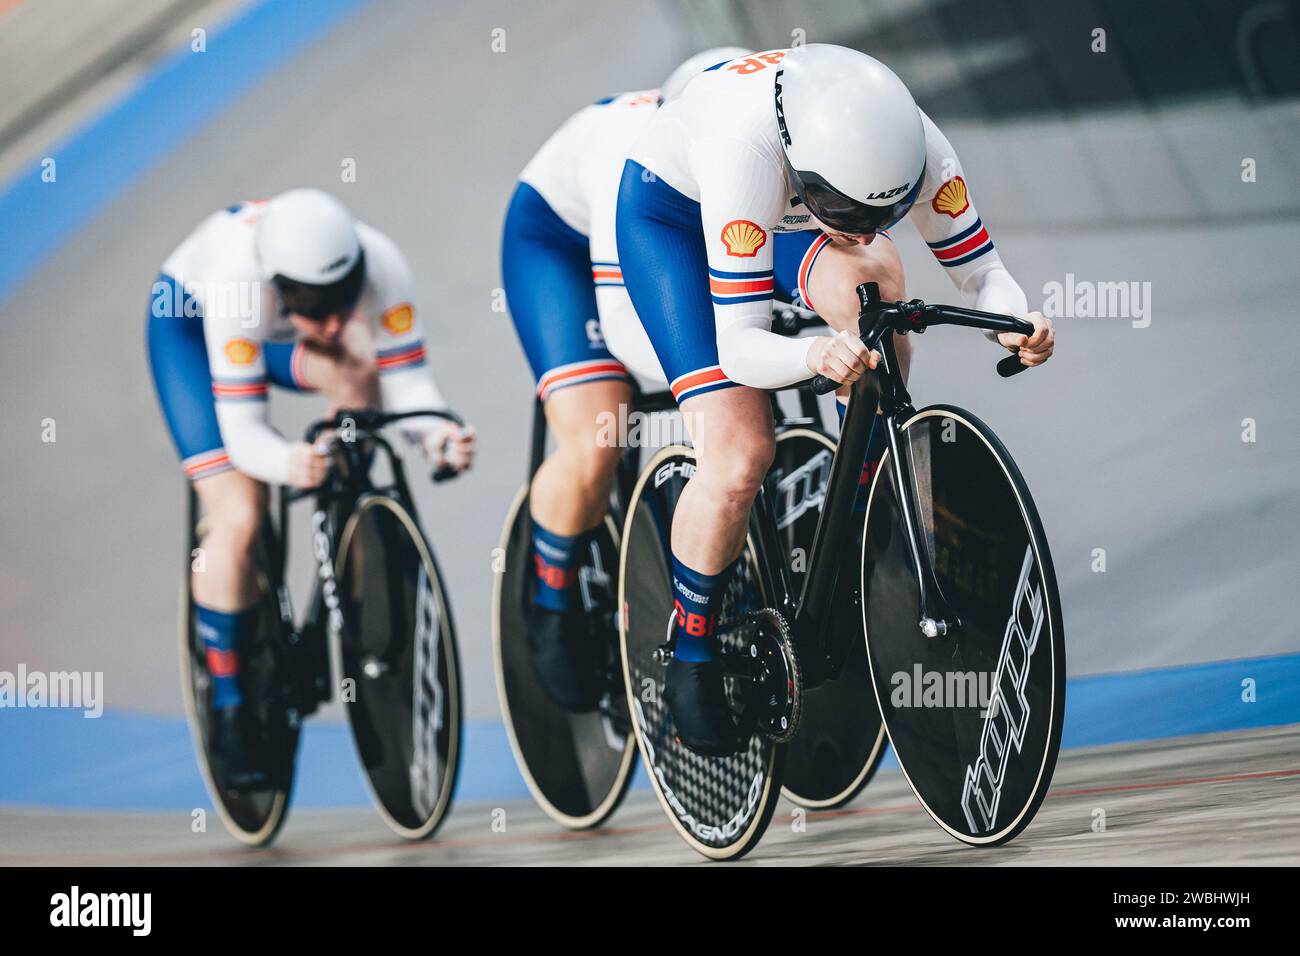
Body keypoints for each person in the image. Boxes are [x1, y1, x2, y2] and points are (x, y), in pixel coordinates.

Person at [616, 44, 1055, 755]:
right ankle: (690, 647)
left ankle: (857, 511)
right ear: (804, 166)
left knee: (877, 286)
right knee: (738, 453)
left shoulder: (917, 147)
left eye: (884, 211)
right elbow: (741, 346)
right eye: (846, 210)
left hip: (790, 214)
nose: (863, 227)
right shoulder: (743, 155)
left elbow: (984, 274)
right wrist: (813, 354)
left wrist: (1015, 321)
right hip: (676, 221)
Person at [502, 48, 854, 711]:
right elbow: (635, 336)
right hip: (558, 246)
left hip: (694, 210)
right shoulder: (635, 160)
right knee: (598, 435)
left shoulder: (750, 155)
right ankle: (551, 596)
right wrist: (752, 354)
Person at [147, 188, 475, 784]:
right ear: (280, 289)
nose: (331, 323)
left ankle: (346, 519)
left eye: (343, 303)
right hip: (193, 330)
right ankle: (229, 702)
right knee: (242, 512)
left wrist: (435, 437)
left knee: (356, 366)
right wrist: (288, 461)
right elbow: (244, 434)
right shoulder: (238, 284)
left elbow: (408, 383)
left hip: (268, 328)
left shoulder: (381, 262)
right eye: (314, 310)